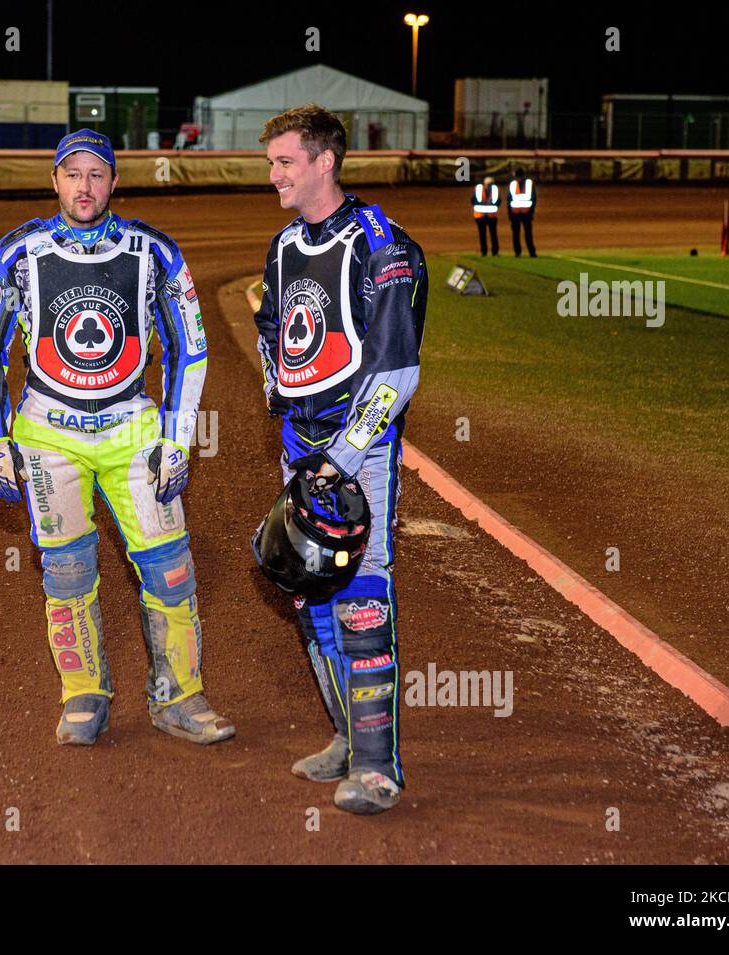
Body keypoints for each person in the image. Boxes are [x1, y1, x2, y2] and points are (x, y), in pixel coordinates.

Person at [0, 129, 234, 747]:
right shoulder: (15, 253)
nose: (84, 186)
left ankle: (180, 697)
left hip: (133, 428)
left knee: (170, 571)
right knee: (66, 570)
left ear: (114, 181)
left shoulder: (155, 251)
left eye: (96, 174)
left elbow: (191, 349)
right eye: (72, 173)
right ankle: (83, 694)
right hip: (46, 435)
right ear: (54, 180)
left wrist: (179, 437)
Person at [254, 104, 427, 815]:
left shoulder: (382, 246)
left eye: (285, 162)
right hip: (302, 443)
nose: (275, 176)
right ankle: (348, 736)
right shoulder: (285, 243)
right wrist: (281, 407)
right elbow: (272, 332)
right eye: (271, 164)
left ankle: (378, 767)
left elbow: (395, 373)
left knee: (360, 591)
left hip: (358, 451)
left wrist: (344, 456)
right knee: (308, 585)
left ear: (325, 161)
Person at [507, 166, 537, 257]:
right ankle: (528, 252)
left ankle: (522, 252)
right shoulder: (527, 183)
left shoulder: (520, 183)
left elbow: (509, 200)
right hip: (520, 213)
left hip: (522, 213)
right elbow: (534, 199)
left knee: (523, 234)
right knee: (523, 234)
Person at [471, 174, 500, 256]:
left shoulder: (492, 190)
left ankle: (493, 252)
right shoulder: (481, 189)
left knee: (492, 235)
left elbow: (473, 201)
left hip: (488, 216)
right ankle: (485, 252)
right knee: (484, 235)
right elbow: (498, 202)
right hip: (483, 217)